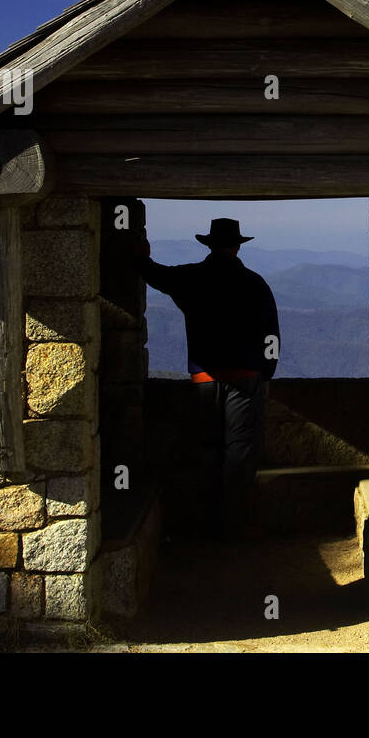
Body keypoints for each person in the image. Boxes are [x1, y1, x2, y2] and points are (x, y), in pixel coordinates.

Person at [135, 218, 280, 540]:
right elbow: (271, 336)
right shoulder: (254, 283)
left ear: (209, 245)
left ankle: (210, 524)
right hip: (245, 377)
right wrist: (267, 373)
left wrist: (141, 254)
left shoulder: (190, 278)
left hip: (204, 378)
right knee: (240, 451)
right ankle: (234, 524)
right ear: (238, 245)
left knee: (210, 448)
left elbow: (154, 274)